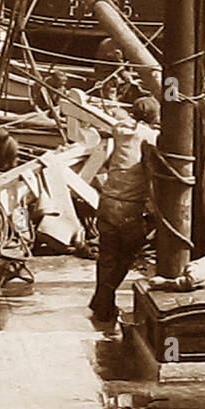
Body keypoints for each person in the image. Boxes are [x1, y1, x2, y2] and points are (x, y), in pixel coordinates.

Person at [89, 94, 160, 324]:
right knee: (130, 253)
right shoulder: (150, 137)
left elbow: (121, 121)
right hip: (128, 208)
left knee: (107, 256)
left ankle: (102, 302)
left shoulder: (120, 131)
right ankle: (104, 297)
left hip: (107, 201)